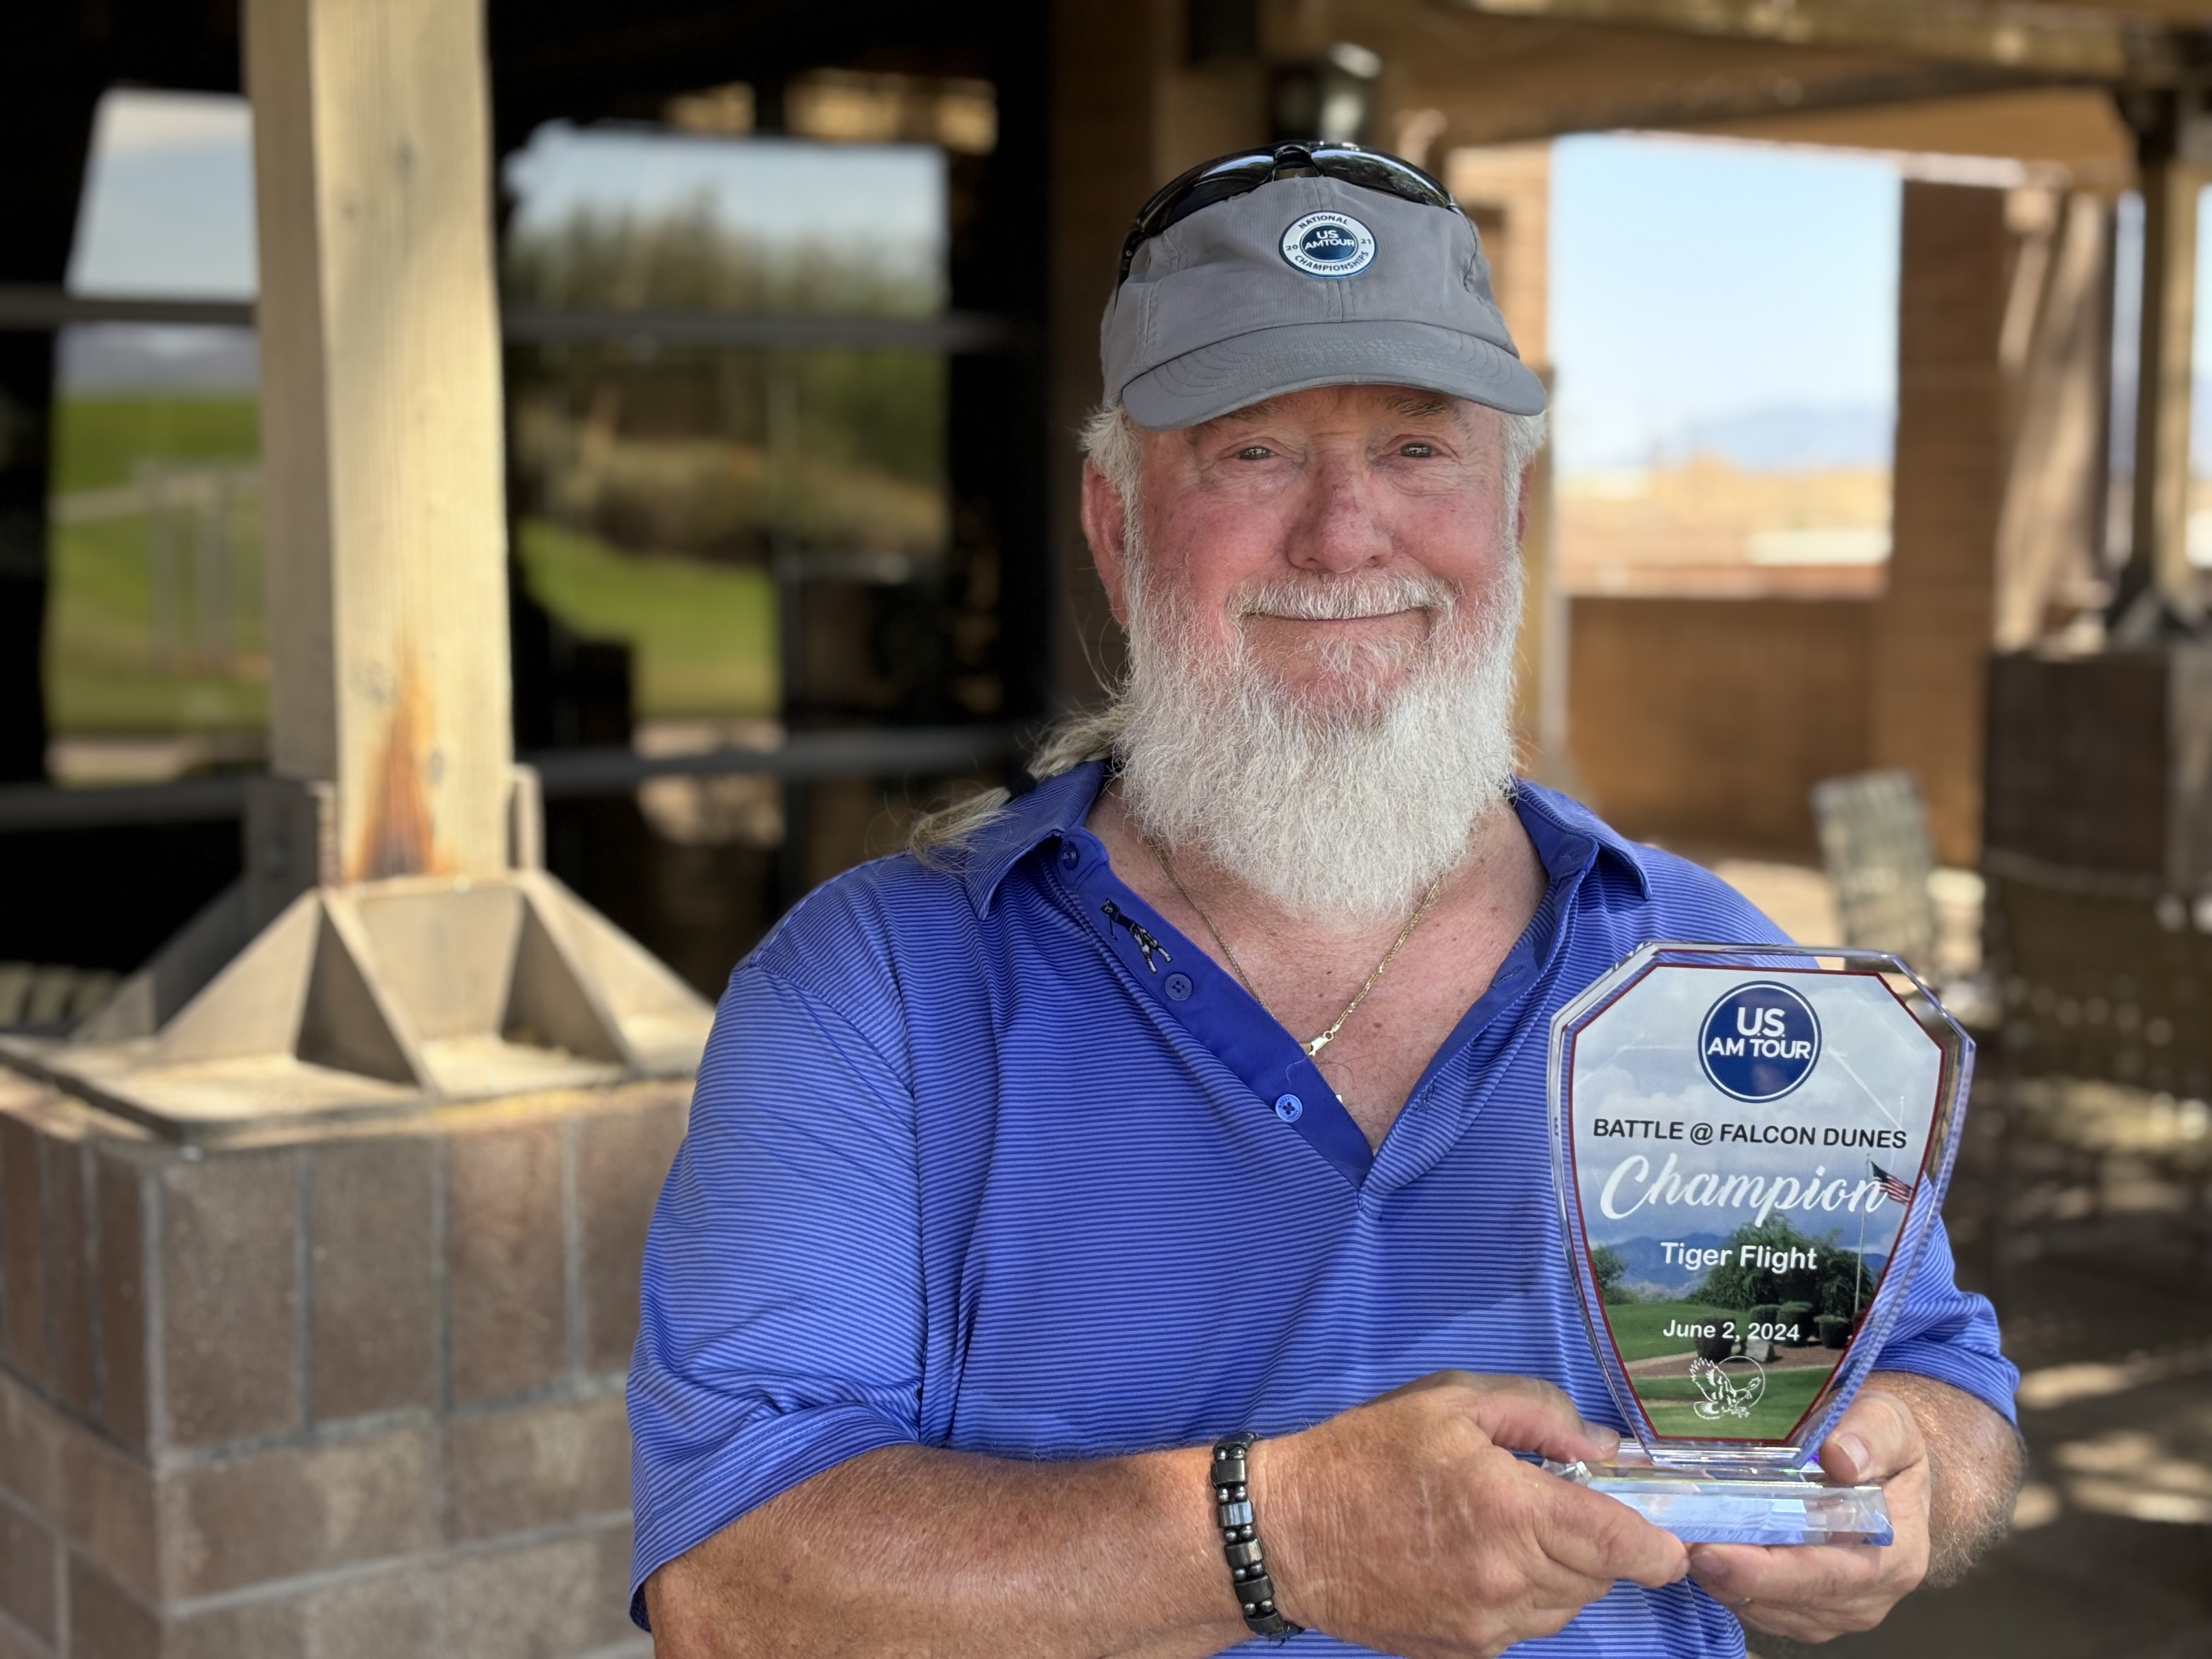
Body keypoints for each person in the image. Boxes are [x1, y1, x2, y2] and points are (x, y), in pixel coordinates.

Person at [627, 143, 2021, 1658]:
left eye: (1420, 450)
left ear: (1513, 507)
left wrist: (1906, 1476)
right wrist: (1279, 1534)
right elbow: (736, 1588)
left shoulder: (1714, 974)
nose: (1347, 533)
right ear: (1115, 526)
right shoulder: (874, 996)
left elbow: (1947, 1379)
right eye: (1252, 450)